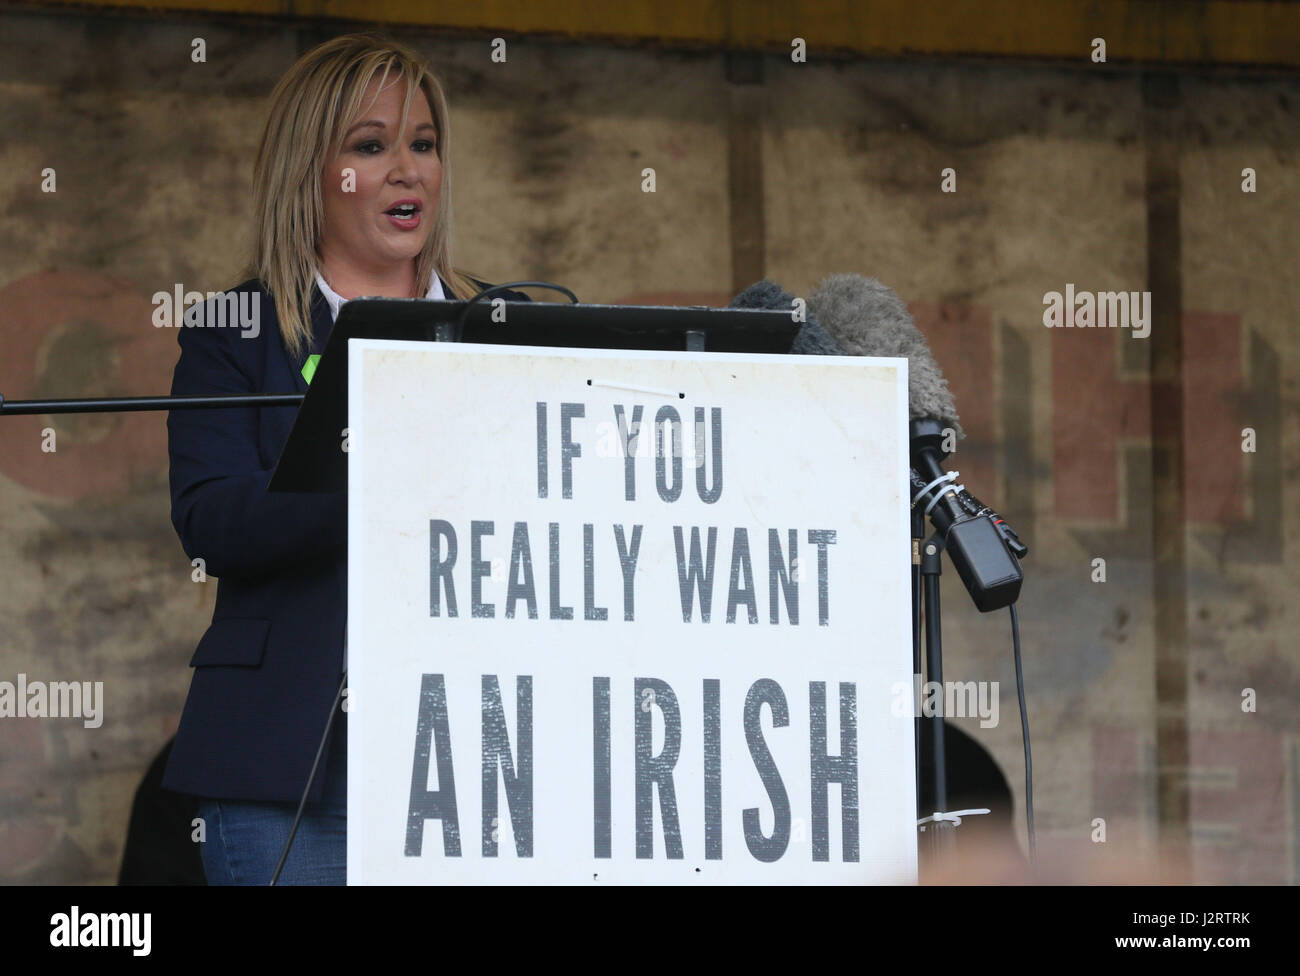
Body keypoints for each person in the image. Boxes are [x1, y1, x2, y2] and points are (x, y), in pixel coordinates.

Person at [162, 33, 529, 885]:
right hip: (291, 770)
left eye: (424, 145)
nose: (407, 169)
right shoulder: (235, 329)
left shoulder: (510, 326)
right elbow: (211, 521)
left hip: (487, 761)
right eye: (372, 146)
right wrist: (376, 477)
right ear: (312, 171)